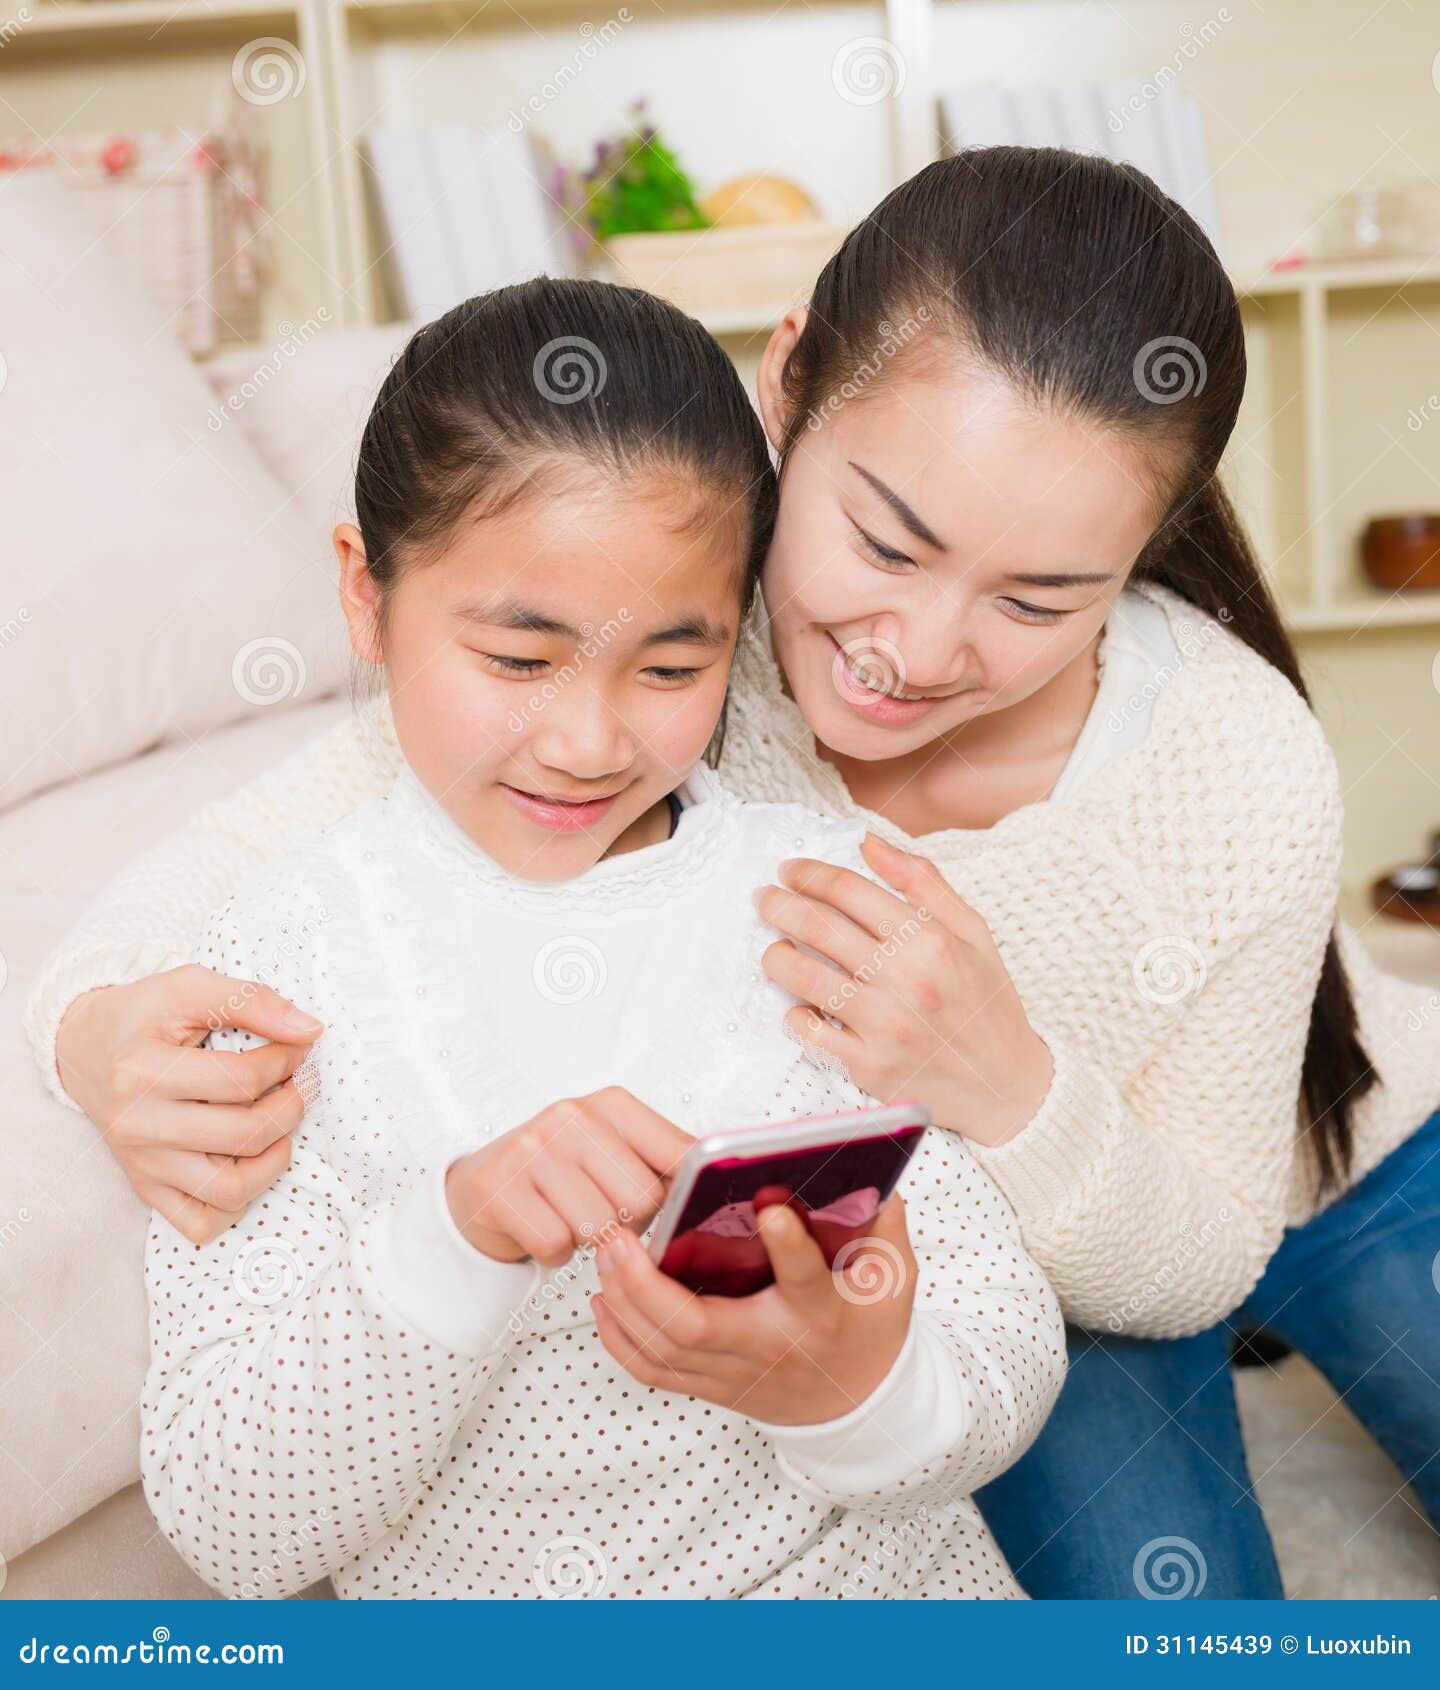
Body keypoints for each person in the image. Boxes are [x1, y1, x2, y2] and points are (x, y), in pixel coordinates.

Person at [31, 150, 1440, 1596]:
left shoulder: (1237, 759)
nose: (914, 651)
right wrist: (99, 1034)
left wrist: (1007, 1079)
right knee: (1167, 1601)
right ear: (789, 387)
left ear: (1137, 559)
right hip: (1025, 1263)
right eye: (884, 542)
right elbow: (263, 858)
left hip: (1313, 1156)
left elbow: (1200, 1255)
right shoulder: (672, 611)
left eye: (1036, 601)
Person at [137, 277, 1064, 1600]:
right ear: (366, 595)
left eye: (673, 669)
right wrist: (455, 1236)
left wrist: (857, 1390)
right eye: (520, 661)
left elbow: (1005, 1342)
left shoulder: (826, 909)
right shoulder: (282, 969)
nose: (587, 743)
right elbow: (235, 1526)